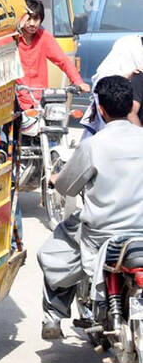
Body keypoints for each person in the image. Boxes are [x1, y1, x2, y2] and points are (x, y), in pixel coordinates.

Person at [39, 75, 143, 340]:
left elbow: (66, 187)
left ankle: (53, 316)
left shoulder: (92, 146)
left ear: (101, 109)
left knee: (54, 252)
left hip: (101, 234)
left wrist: (55, 179)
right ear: (131, 105)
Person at [15, 0, 87, 118]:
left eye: (36, 19)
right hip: (15, 98)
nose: (32, 23)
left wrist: (78, 82)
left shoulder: (44, 37)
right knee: (6, 134)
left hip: (39, 98)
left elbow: (64, 61)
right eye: (28, 19)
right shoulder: (11, 38)